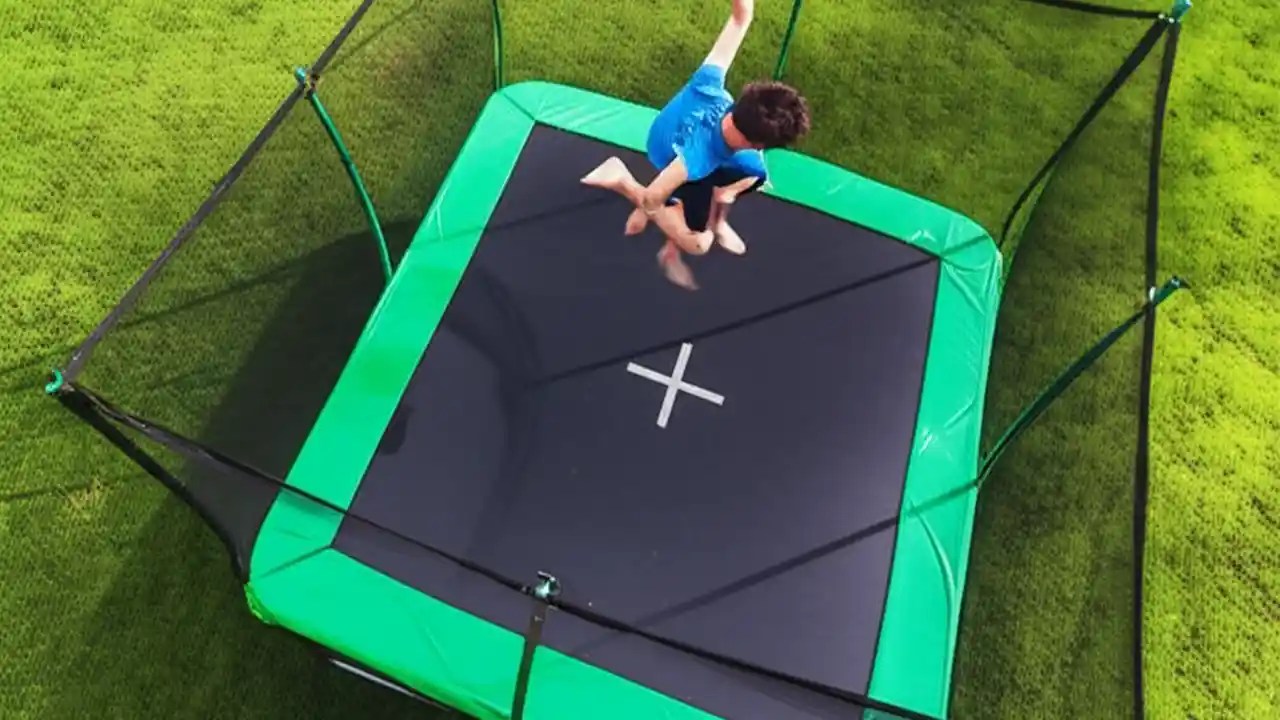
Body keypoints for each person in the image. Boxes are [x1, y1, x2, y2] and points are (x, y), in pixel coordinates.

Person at [580, 0, 811, 289]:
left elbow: (741, 16)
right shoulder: (697, 160)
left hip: (677, 128)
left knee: (756, 173)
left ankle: (719, 214)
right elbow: (654, 196)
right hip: (667, 150)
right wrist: (644, 209)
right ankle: (622, 180)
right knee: (700, 243)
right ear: (757, 142)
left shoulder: (711, 81)